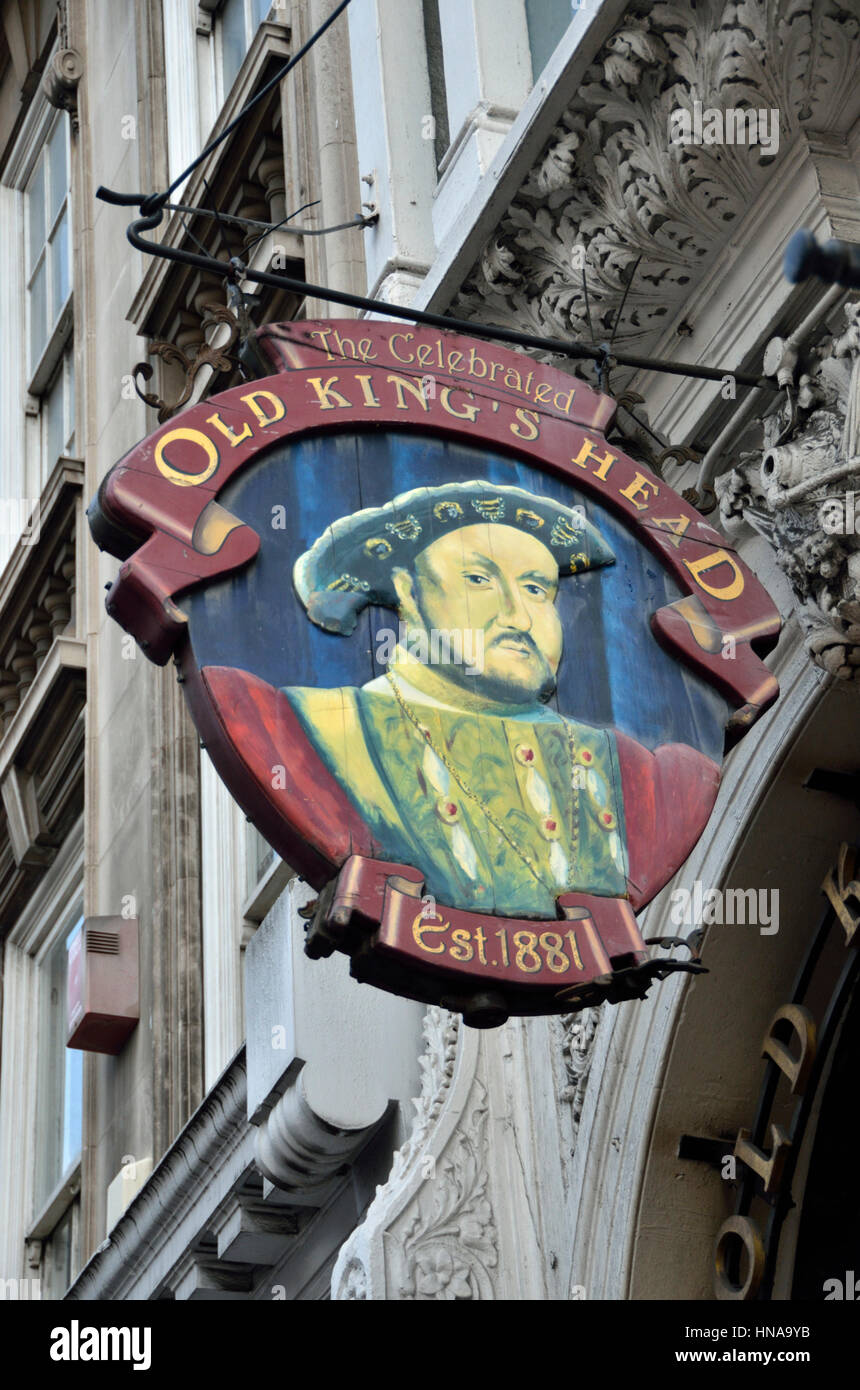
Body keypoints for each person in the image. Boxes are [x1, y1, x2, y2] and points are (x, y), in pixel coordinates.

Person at [282, 481, 719, 920]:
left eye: (536, 590)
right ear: (407, 592)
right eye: (478, 580)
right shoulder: (314, 729)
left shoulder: (635, 771)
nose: (519, 615)